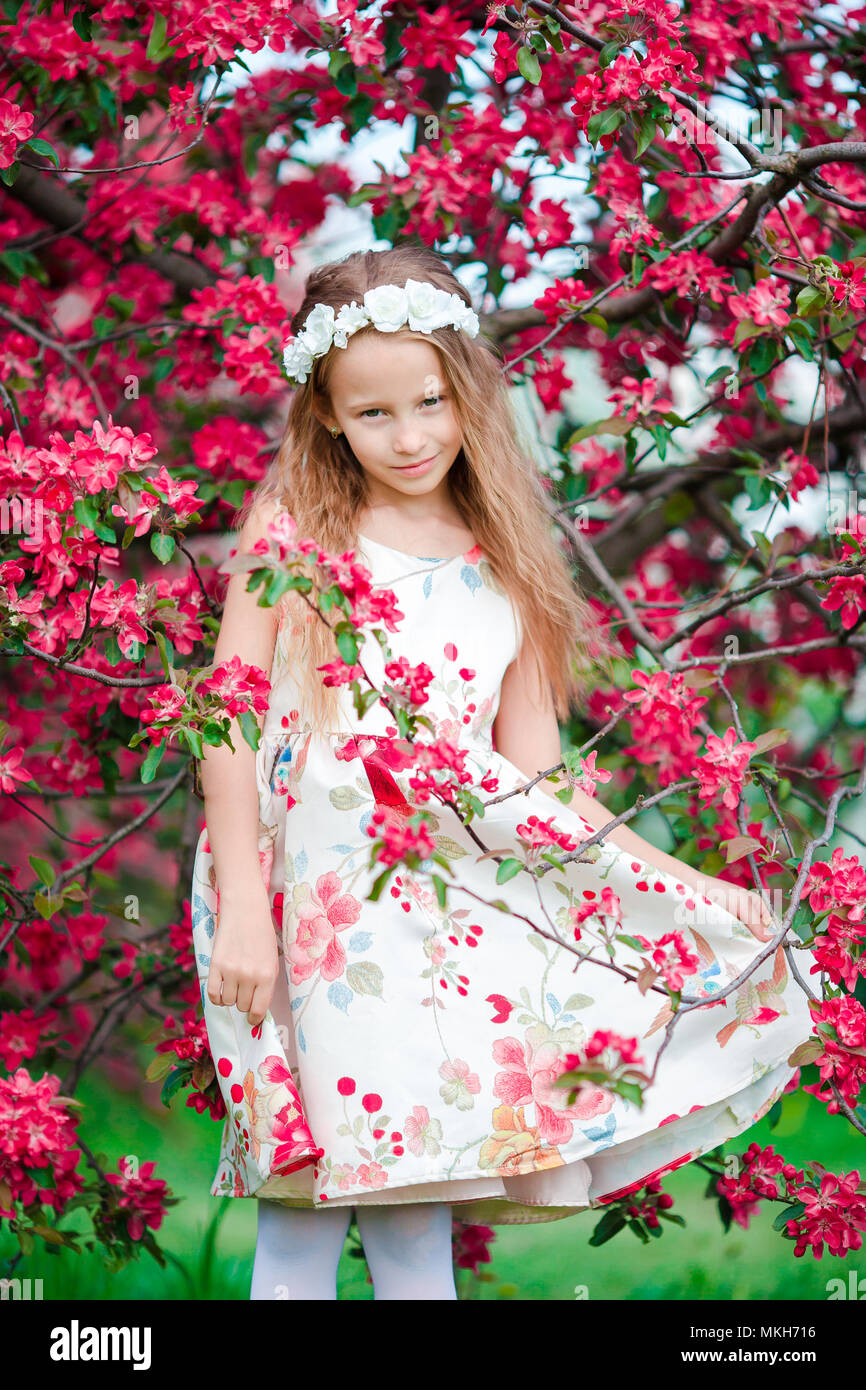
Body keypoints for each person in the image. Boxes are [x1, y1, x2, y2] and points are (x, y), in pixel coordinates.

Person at [189, 244, 813, 1300]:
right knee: (300, 1212)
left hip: (439, 915)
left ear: (465, 389)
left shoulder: (504, 559)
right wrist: (243, 908)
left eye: (428, 401)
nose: (409, 434)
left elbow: (536, 782)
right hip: (306, 906)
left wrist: (692, 890)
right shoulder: (294, 530)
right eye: (372, 412)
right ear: (328, 413)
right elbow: (225, 716)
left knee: (411, 1209)